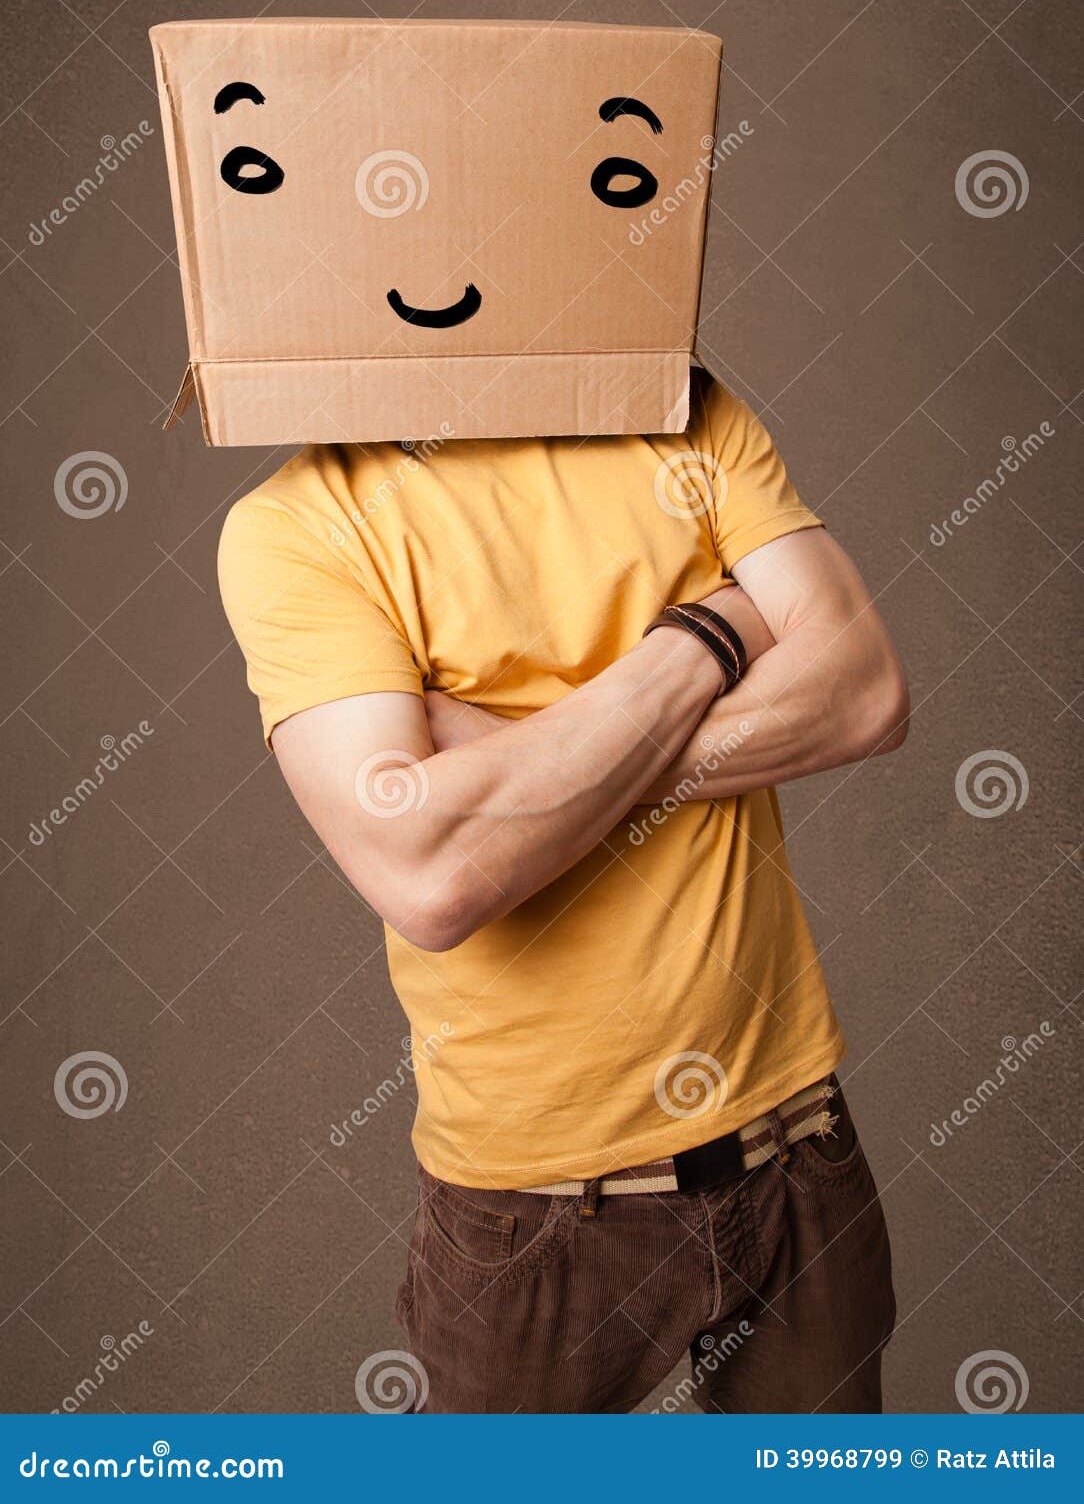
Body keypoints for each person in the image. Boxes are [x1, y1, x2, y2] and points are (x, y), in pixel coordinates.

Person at [218, 366, 907, 1413]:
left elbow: (865, 692)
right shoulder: (297, 526)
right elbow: (432, 875)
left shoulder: (683, 408)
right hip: (535, 1212)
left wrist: (527, 765)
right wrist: (708, 639)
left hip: (796, 1147)